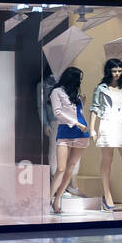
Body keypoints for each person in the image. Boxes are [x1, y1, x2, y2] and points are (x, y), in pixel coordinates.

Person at [89, 57, 122, 210]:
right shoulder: (101, 88)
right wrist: (92, 128)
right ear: (108, 71)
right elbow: (95, 108)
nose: (117, 73)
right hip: (107, 125)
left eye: (120, 70)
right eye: (114, 71)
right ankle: (107, 195)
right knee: (107, 160)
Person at [49, 66, 91, 214]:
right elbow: (58, 112)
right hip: (66, 132)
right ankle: (47, 199)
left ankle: (57, 200)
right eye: (79, 78)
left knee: (70, 168)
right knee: (60, 169)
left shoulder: (76, 94)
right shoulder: (57, 92)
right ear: (71, 77)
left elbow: (78, 113)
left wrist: (82, 104)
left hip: (81, 133)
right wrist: (76, 123)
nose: (80, 81)